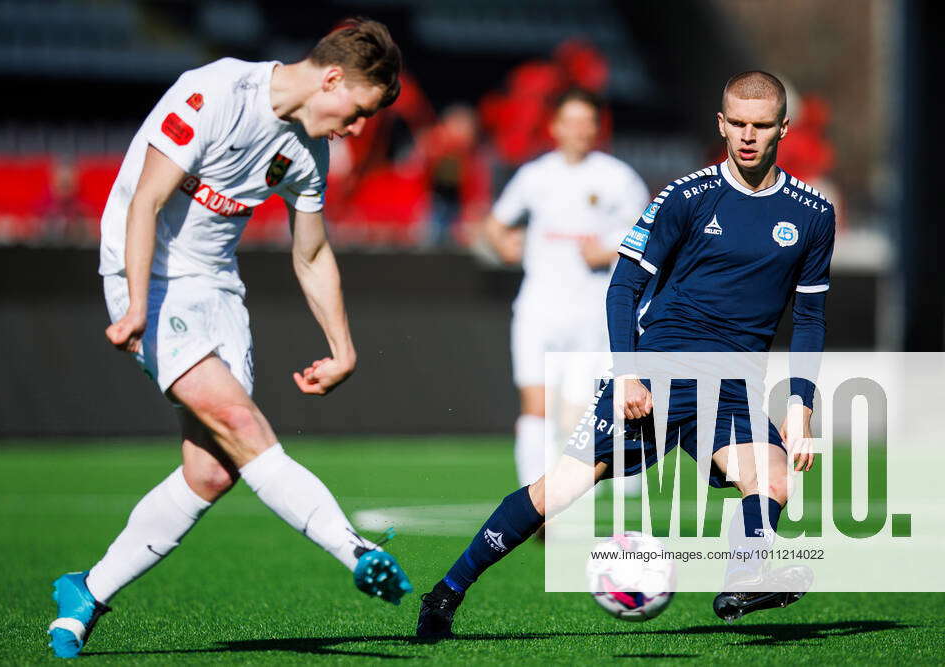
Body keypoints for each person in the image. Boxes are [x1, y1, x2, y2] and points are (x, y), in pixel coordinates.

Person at [417, 71, 833, 639]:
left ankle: (751, 569)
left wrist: (802, 407)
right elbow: (622, 287)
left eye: (761, 126)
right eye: (736, 123)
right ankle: (446, 592)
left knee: (774, 478)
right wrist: (629, 373)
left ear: (783, 128)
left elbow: (809, 317)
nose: (747, 136)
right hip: (656, 376)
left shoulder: (813, 214)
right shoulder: (685, 198)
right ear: (721, 123)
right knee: (556, 492)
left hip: (730, 385)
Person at [47, 19, 413, 659]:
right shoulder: (214, 91)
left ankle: (87, 590)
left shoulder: (308, 151)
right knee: (242, 422)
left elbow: (312, 253)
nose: (356, 130)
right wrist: (135, 305)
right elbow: (147, 202)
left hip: (217, 292)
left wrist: (343, 346)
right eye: (358, 113)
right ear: (331, 80)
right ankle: (354, 549)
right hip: (150, 279)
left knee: (213, 472)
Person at [482, 89, 648, 491]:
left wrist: (609, 251)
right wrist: (502, 244)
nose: (578, 130)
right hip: (539, 309)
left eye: (586, 121)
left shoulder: (618, 178)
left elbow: (651, 236)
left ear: (597, 127)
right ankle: (533, 501)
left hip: (592, 313)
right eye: (569, 121)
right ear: (554, 127)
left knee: (580, 410)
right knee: (535, 406)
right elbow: (494, 224)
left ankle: (579, 491)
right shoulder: (536, 176)